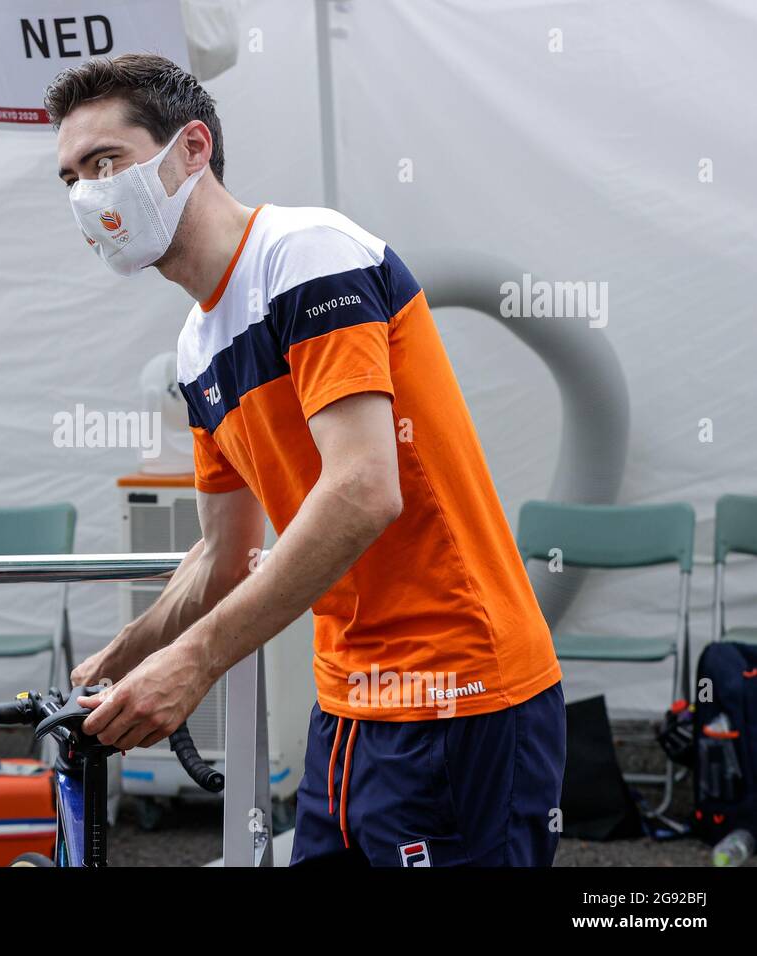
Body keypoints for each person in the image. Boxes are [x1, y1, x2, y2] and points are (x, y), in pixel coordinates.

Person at [48, 54, 566, 867]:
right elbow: (224, 555)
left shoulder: (307, 254)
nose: (88, 195)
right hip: (349, 701)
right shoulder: (197, 345)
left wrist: (197, 660)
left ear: (192, 149)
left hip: (455, 692)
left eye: (105, 163)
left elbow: (363, 490)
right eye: (70, 177)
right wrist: (132, 651)